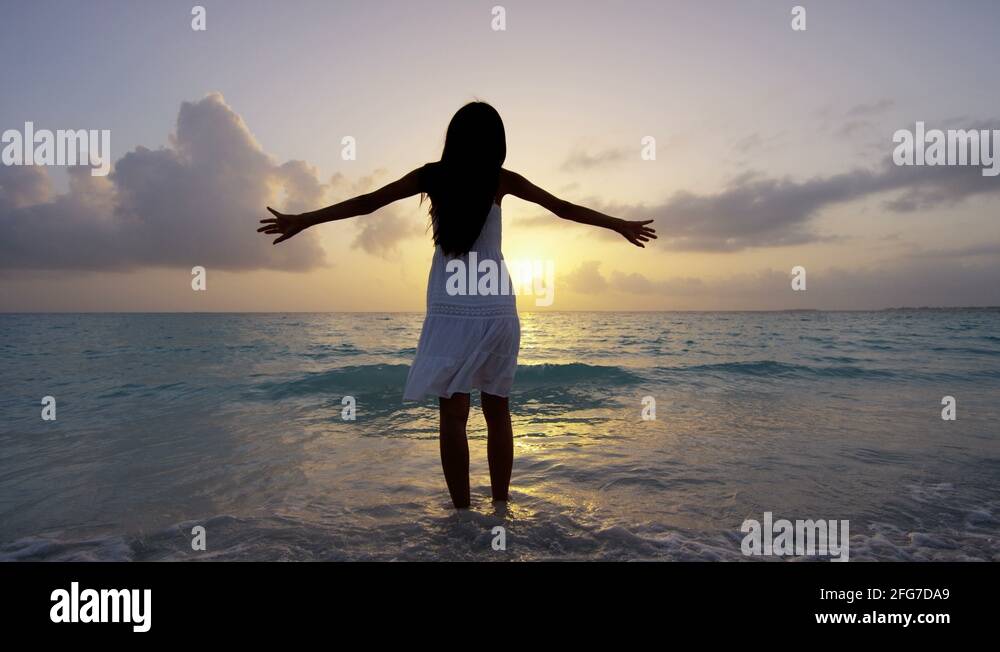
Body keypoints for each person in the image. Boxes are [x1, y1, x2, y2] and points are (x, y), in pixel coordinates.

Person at [258, 101, 656, 508]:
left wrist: (304, 219)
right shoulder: (501, 180)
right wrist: (618, 225)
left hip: (452, 306)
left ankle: (462, 517)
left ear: (453, 138)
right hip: (497, 306)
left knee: (453, 415)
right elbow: (562, 208)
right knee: (498, 410)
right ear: (497, 142)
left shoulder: (433, 176)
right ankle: (502, 509)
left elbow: (367, 203)